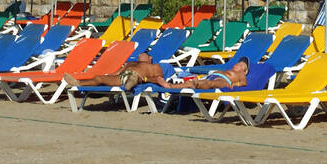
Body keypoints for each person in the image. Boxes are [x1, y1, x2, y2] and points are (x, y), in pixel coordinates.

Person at [65, 56, 249, 91]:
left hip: (221, 82)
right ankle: (78, 84)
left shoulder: (240, 76)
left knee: (208, 84)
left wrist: (236, 84)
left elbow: (245, 84)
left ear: (244, 70)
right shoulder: (133, 63)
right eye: (237, 64)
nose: (237, 66)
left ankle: (134, 81)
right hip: (211, 77)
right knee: (99, 78)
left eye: (240, 66)